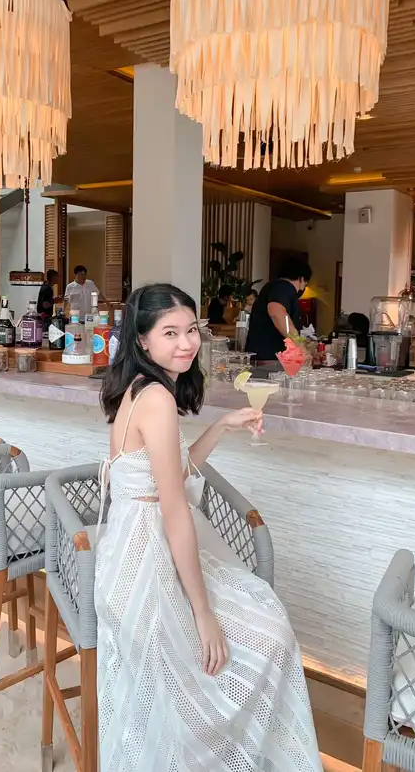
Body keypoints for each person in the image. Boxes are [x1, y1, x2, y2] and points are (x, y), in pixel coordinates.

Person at [96, 283, 323, 772]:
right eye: (170, 333)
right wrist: (203, 614)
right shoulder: (155, 398)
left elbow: (169, 475)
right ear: (142, 340)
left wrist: (220, 426)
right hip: (144, 565)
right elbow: (175, 510)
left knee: (262, 628)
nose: (186, 343)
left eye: (192, 330)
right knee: (267, 637)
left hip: (132, 549)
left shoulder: (142, 388)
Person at [245, 259, 312, 361]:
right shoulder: (284, 287)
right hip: (268, 359)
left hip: (262, 357)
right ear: (301, 279)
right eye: (305, 285)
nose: (301, 289)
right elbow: (277, 313)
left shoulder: (273, 287)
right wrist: (300, 345)